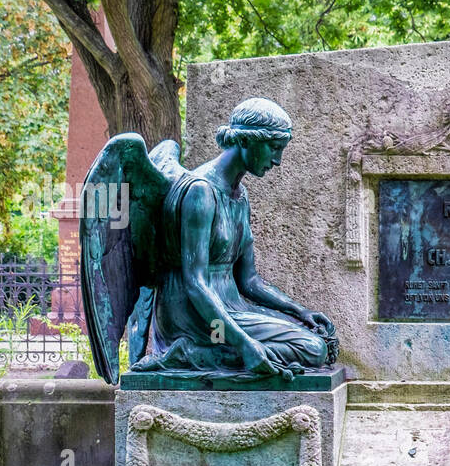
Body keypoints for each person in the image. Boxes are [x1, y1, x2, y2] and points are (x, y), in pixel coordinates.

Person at [131, 98, 337, 379]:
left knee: (317, 340)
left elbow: (249, 280)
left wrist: (299, 310)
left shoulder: (240, 196)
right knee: (312, 349)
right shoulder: (200, 192)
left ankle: (222, 353)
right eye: (274, 149)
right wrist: (244, 343)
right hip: (198, 318)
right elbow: (195, 283)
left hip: (229, 307)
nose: (277, 161)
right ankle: (187, 353)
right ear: (247, 141)